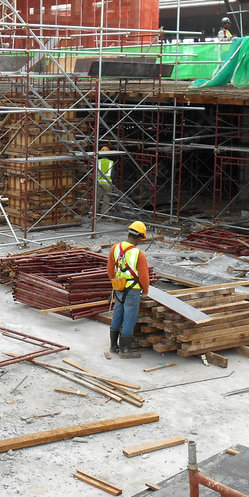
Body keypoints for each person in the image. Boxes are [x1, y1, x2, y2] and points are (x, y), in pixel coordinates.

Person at [107, 221, 151, 359]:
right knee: (129, 319)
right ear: (139, 238)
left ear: (129, 233)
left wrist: (115, 281)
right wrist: (146, 290)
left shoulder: (115, 248)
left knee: (117, 314)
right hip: (132, 291)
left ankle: (113, 346)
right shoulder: (139, 254)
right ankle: (125, 350)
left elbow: (109, 269)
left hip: (119, 288)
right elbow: (144, 276)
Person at [96, 146, 115, 214]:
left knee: (97, 198)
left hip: (99, 183)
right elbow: (113, 174)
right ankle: (104, 213)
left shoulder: (98, 162)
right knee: (106, 199)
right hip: (108, 184)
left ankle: (93, 211)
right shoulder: (111, 162)